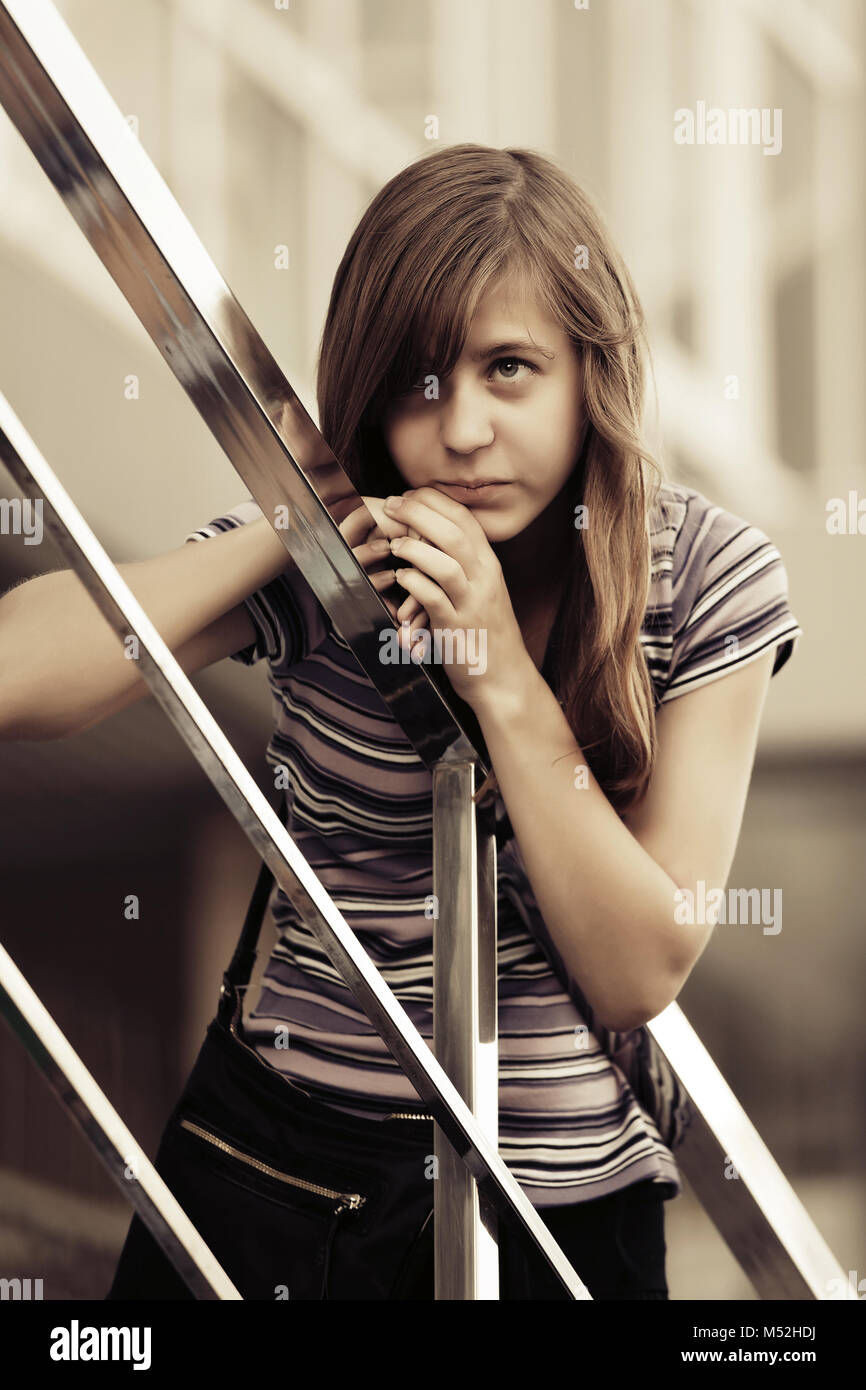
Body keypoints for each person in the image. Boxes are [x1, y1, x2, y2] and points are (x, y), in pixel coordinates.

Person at [0, 144, 802, 1300]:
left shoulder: (708, 577)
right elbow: (22, 673)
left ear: (592, 371)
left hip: (555, 1215)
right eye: (418, 381)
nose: (461, 429)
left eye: (509, 369)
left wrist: (498, 672)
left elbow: (640, 964)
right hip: (276, 1170)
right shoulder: (344, 554)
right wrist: (295, 521)